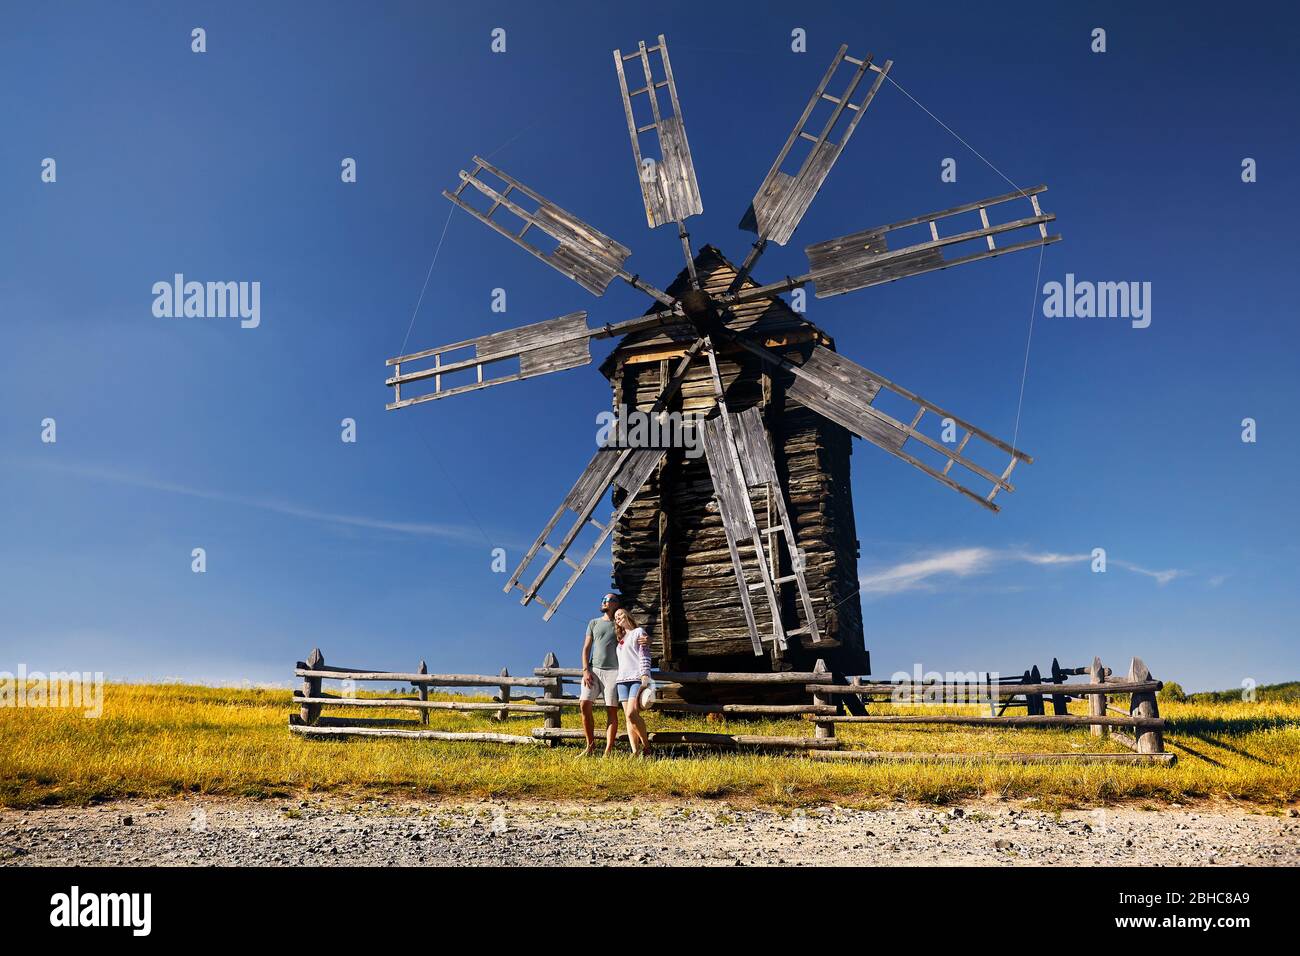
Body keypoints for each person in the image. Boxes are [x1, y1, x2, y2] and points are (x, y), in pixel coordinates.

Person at [579, 593, 623, 757]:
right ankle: (590, 746)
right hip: (593, 670)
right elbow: (586, 648)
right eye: (603, 599)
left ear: (617, 603)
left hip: (614, 672)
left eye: (609, 599)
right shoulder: (594, 623)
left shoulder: (620, 624)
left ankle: (608, 751)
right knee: (584, 704)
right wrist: (585, 670)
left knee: (611, 710)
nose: (605, 601)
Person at [613, 608, 653, 756]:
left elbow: (645, 654)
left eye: (620, 614)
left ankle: (647, 746)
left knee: (631, 714)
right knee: (628, 718)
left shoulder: (639, 632)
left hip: (636, 677)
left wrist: (645, 675)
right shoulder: (621, 639)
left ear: (628, 615)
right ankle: (635, 751)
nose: (617, 617)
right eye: (615, 617)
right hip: (622, 680)